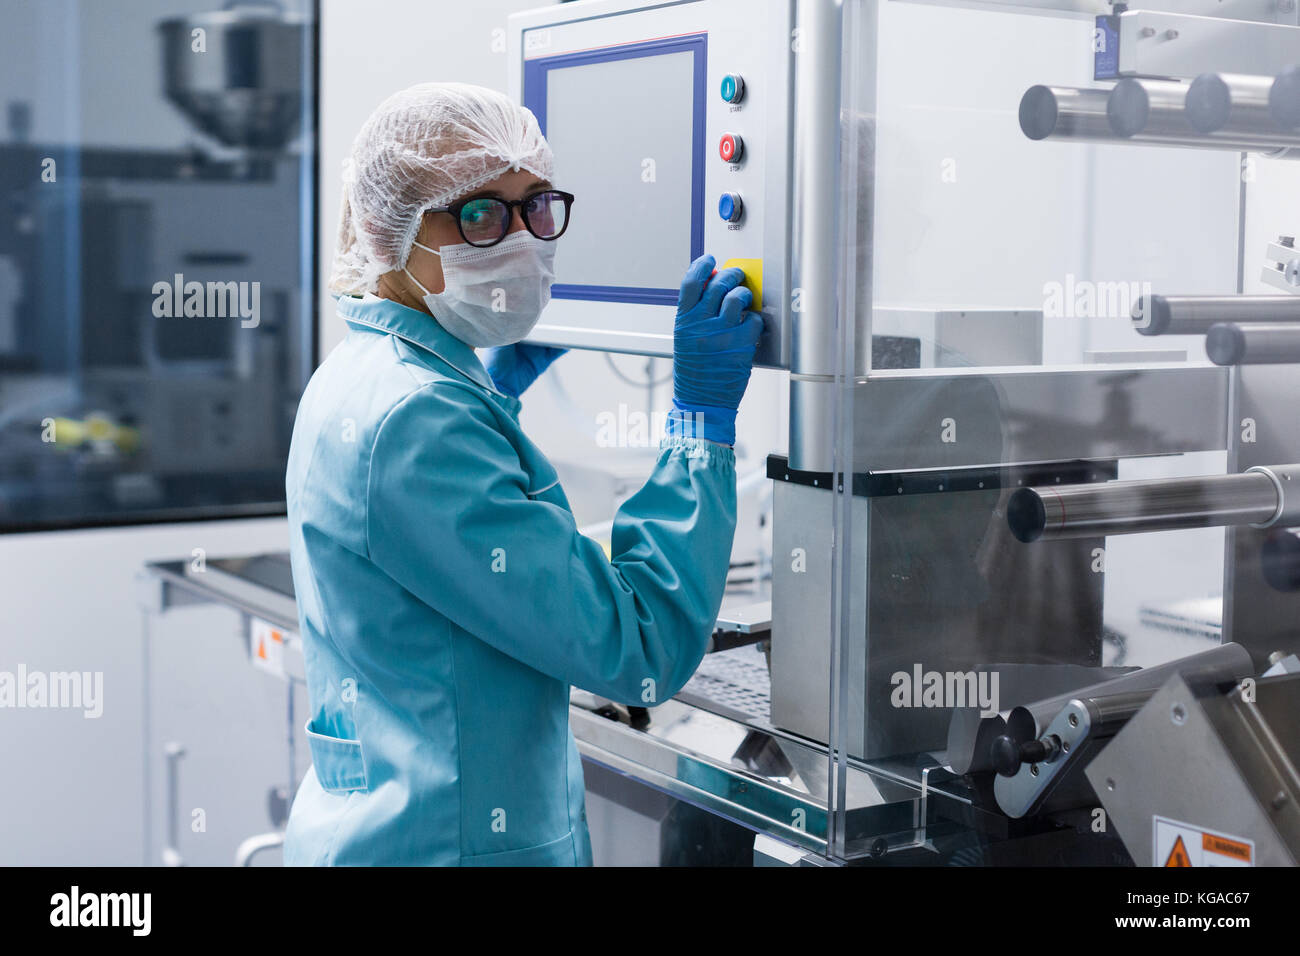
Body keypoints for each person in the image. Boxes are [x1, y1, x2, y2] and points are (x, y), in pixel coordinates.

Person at [283, 82, 762, 865]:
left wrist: (491, 387)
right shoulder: (419, 418)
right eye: (480, 214)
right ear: (384, 226)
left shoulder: (367, 371)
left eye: (536, 205)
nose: (521, 241)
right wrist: (698, 426)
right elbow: (638, 649)